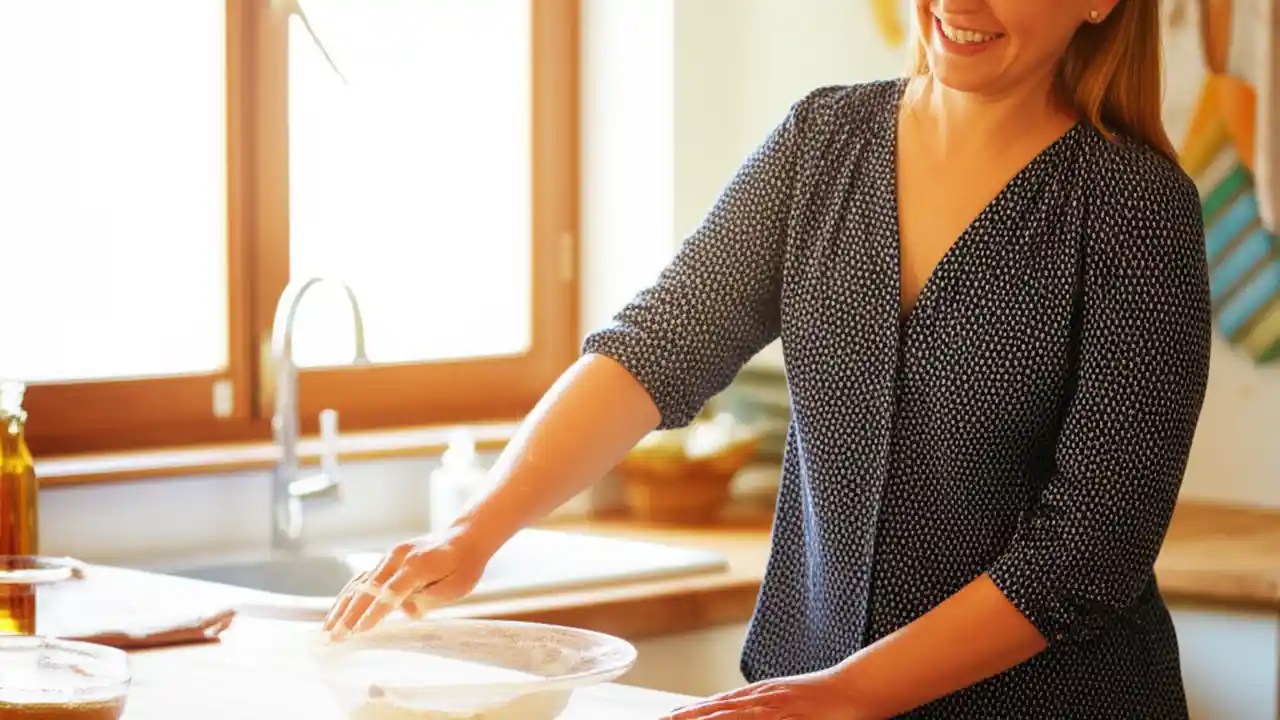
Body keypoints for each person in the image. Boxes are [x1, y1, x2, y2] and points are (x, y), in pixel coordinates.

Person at [325, 1, 1212, 716]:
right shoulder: (821, 145)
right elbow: (654, 348)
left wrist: (852, 692)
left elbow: (1090, 551)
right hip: (805, 690)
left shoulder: (1135, 210)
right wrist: (476, 529)